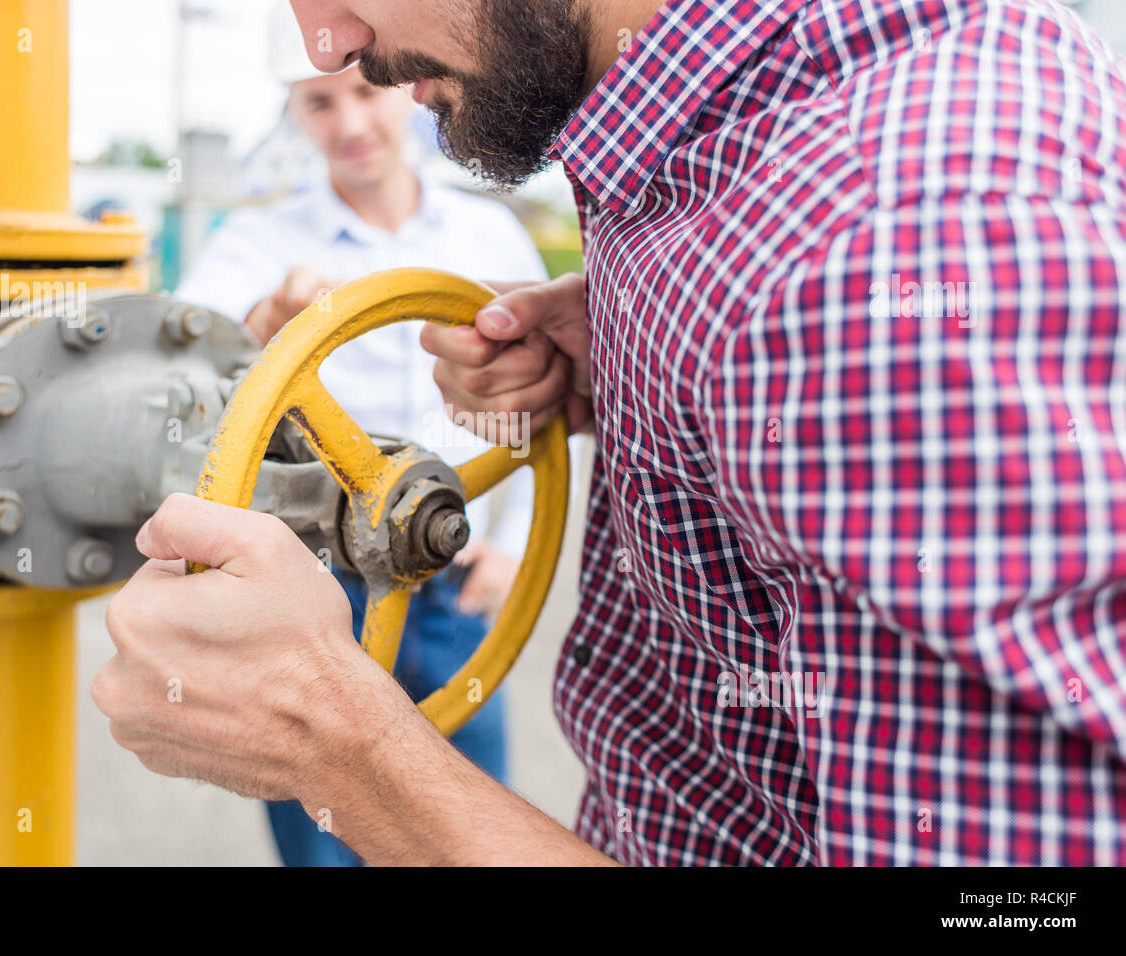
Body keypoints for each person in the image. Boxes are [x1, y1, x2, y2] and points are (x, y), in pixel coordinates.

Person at [95, 0, 1126, 865]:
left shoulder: (882, 243)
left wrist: (341, 750)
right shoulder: (704, 153)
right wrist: (626, 366)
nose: (329, 39)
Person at [170, 1, 548, 866]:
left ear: (401, 87)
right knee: (325, 844)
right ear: (293, 115)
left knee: (474, 828)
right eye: (318, 105)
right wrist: (261, 321)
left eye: (359, 96)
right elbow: (185, 353)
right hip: (311, 590)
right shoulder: (258, 244)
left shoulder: (489, 235)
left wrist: (517, 542)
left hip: (454, 580)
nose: (349, 124)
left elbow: (533, 412)